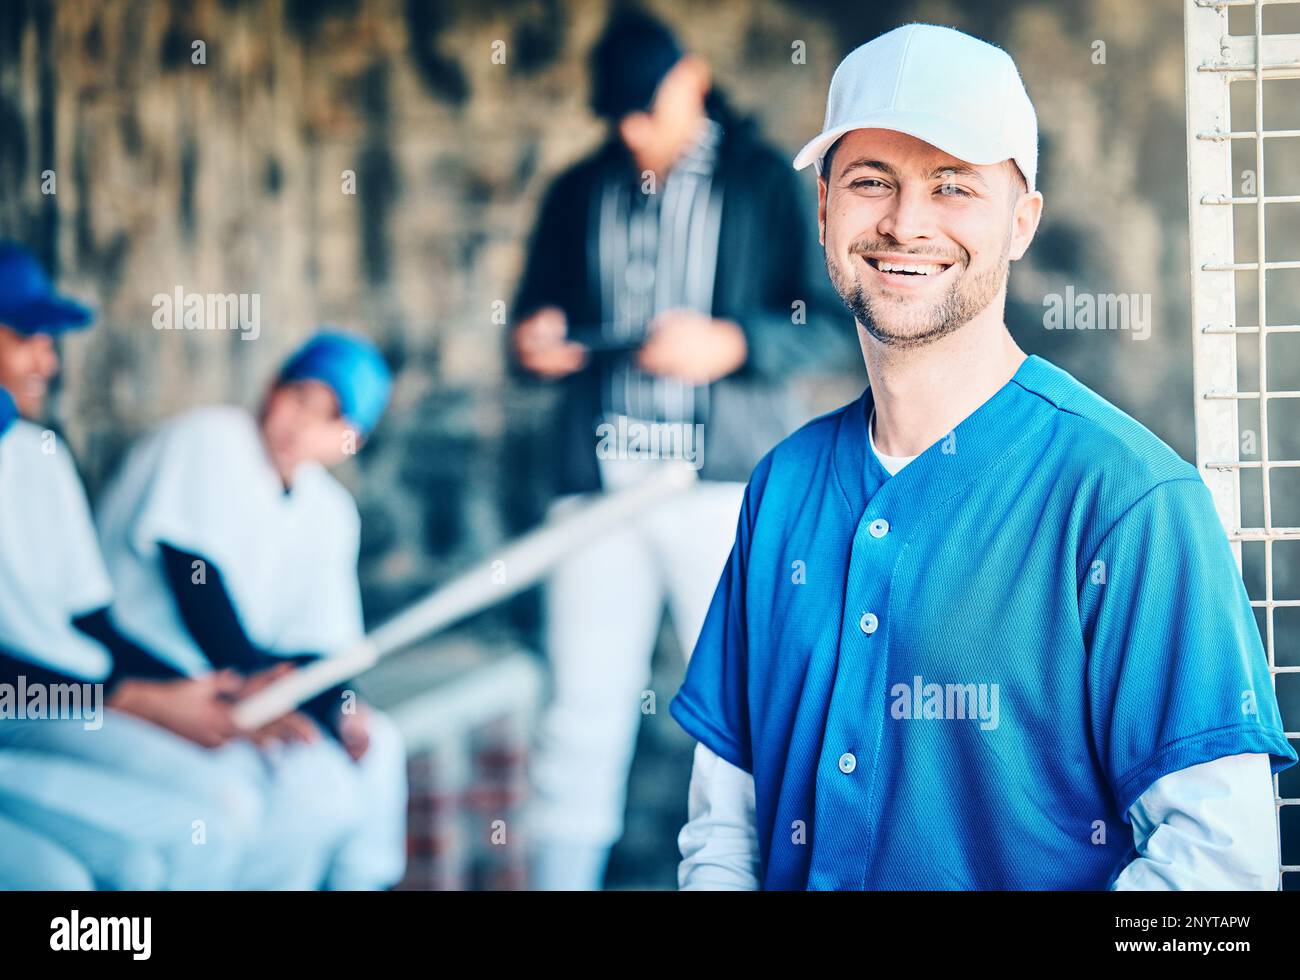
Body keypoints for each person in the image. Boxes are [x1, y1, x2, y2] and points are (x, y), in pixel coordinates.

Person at [670, 24, 1295, 890]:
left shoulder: (1129, 499)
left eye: (954, 185)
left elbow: (1218, 871)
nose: (905, 222)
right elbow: (724, 830)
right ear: (823, 212)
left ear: (1022, 221)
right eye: (870, 181)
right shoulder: (781, 486)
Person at [510, 10, 853, 890]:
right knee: (579, 717)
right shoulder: (578, 187)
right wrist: (537, 340)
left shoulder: (766, 183)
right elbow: (535, 314)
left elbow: (825, 323)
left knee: (748, 715)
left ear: (691, 80)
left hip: (719, 487)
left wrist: (732, 344)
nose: (631, 131)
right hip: (597, 481)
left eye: (644, 109)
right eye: (616, 114)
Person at [95, 331, 408, 890]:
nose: (300, 421)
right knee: (282, 795)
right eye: (297, 396)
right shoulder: (210, 437)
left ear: (349, 441)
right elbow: (196, 585)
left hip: (236, 685)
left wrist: (336, 707)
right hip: (143, 681)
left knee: (368, 755)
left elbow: (323, 646)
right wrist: (263, 693)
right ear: (270, 389)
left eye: (327, 415)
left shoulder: (331, 511)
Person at [0, 241, 247, 889]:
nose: (48, 362)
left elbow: (91, 621)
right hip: (27, 711)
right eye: (28, 337)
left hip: (68, 698)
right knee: (195, 828)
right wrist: (134, 699)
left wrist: (197, 688)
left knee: (225, 801)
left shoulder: (39, 454)